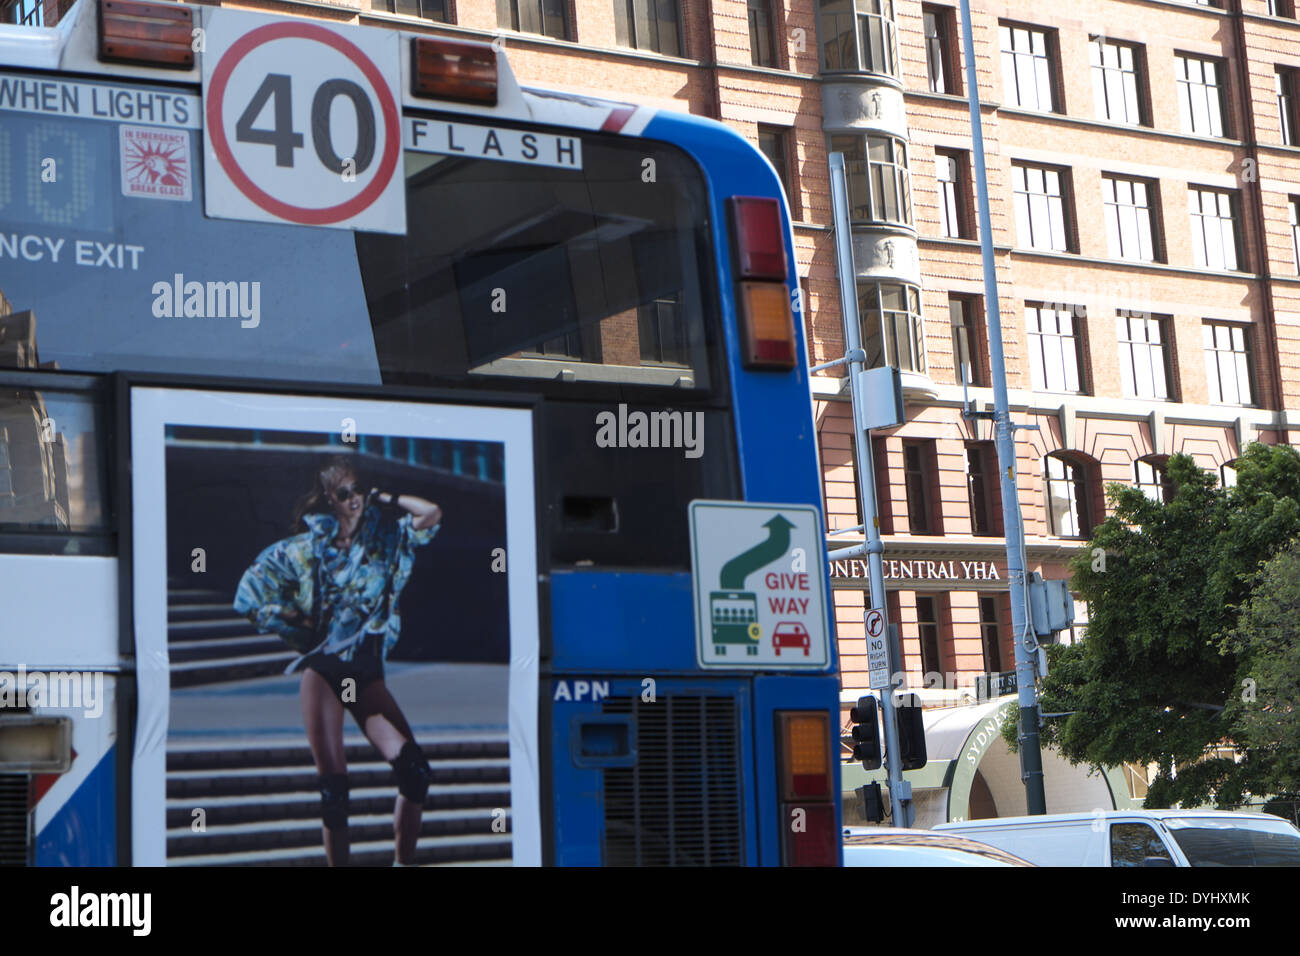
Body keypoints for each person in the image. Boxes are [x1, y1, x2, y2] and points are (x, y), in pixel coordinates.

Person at [233, 454, 442, 866]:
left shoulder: (387, 538)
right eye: (344, 493)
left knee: (414, 771)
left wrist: (385, 497)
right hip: (326, 674)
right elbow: (249, 594)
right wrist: (295, 620)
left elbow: (431, 514)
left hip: (366, 673)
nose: (354, 499)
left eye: (359, 490)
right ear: (329, 498)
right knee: (335, 791)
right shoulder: (305, 550)